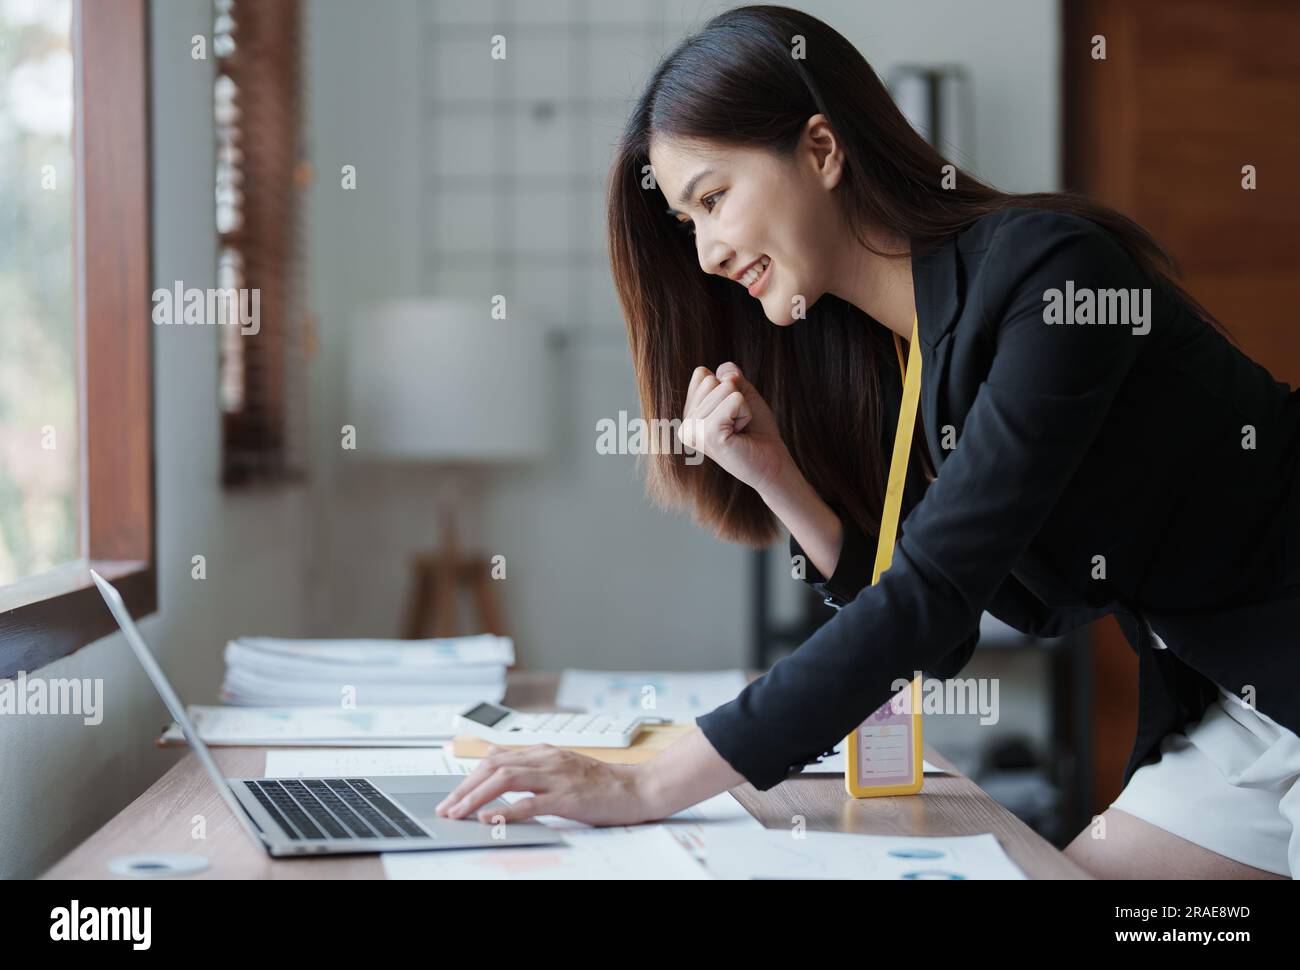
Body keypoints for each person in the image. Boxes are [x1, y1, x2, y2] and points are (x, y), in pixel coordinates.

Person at [436, 5, 1300, 879]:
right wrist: (776, 476)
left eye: (713, 198)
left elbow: (930, 597)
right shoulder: (908, 359)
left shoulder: (1053, 276)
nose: (704, 253)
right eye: (688, 222)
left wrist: (650, 783)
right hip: (1238, 710)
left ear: (821, 149)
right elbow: (940, 639)